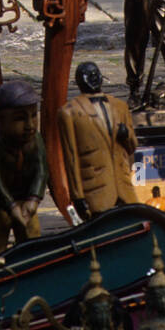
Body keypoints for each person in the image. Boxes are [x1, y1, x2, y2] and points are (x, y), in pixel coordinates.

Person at [57, 63, 139, 221]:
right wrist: (77, 196)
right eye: (87, 75)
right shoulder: (69, 112)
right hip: (95, 193)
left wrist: (126, 135)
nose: (93, 77)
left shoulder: (120, 107)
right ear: (79, 81)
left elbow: (132, 147)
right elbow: (71, 159)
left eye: (96, 73)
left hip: (124, 190)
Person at [0, 81, 49, 256]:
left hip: (24, 198)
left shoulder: (34, 139)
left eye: (33, 115)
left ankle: (31, 270)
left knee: (32, 239)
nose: (30, 125)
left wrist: (33, 199)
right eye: (20, 118)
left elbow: (42, 169)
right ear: (1, 119)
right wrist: (11, 206)